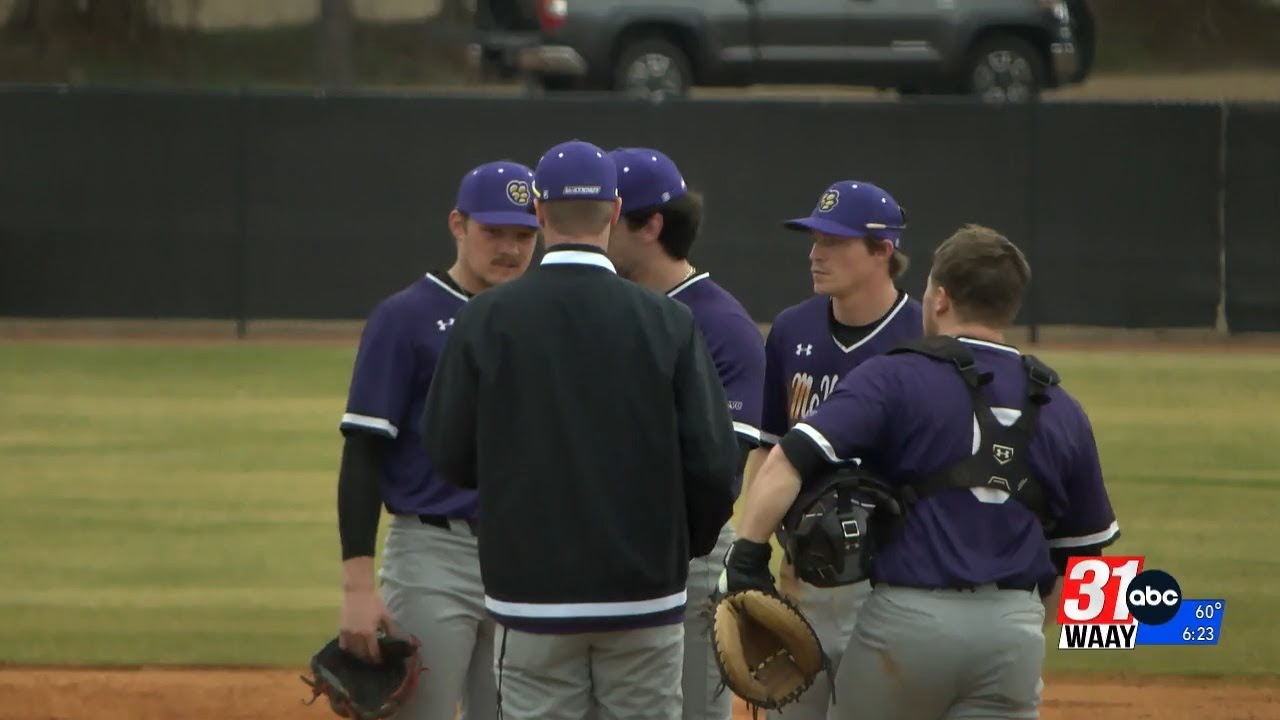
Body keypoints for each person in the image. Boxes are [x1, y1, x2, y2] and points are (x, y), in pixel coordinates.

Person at [726, 224, 1121, 720]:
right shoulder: (1062, 405)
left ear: (938, 298)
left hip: (908, 622)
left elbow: (787, 457)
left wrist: (746, 558)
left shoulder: (895, 375)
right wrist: (1018, 627)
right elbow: (1090, 560)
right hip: (1013, 633)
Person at [421, 139, 740, 720]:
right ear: (615, 211)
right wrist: (677, 549)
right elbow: (716, 466)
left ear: (539, 213)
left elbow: (446, 453)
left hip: (531, 590)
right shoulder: (667, 319)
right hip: (645, 592)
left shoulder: (485, 318)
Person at [334, 160, 540, 720]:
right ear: (457, 224)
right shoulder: (405, 318)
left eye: (523, 234)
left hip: (527, 559)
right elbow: (364, 450)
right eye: (492, 231)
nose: (509, 248)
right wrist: (357, 587)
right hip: (433, 559)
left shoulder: (543, 319)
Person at [740, 179, 922, 720]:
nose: (816, 254)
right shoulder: (792, 328)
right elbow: (767, 449)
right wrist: (760, 544)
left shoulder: (921, 336)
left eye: (835, 242)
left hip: (888, 583)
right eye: (814, 238)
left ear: (883, 251)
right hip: (803, 580)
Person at [605, 146, 767, 720]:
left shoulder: (721, 325)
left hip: (691, 556)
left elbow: (721, 473)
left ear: (650, 226)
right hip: (605, 555)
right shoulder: (605, 306)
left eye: (607, 217)